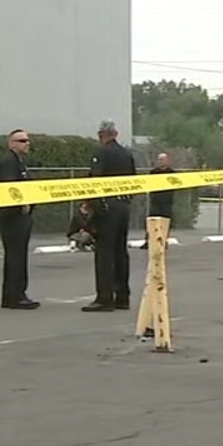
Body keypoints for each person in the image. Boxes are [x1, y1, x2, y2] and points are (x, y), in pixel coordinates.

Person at [83, 120, 137, 313]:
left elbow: (95, 181)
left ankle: (104, 298)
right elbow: (133, 179)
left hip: (107, 206)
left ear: (102, 134)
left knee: (104, 252)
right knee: (120, 251)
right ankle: (123, 296)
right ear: (116, 133)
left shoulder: (101, 153)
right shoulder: (126, 154)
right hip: (123, 205)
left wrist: (90, 205)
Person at [0, 129, 38, 310]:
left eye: (27, 140)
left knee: (19, 255)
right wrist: (21, 204)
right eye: (22, 140)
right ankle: (14, 296)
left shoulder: (19, 162)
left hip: (21, 216)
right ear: (11, 143)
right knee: (15, 256)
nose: (26, 143)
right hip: (13, 216)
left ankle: (17, 293)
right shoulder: (9, 162)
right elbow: (9, 187)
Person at [147, 152, 176, 221]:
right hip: (155, 200)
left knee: (166, 220)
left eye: (162, 159)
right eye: (159, 159)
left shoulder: (172, 173)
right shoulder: (153, 172)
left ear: (167, 160)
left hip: (166, 201)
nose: (160, 161)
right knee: (154, 220)